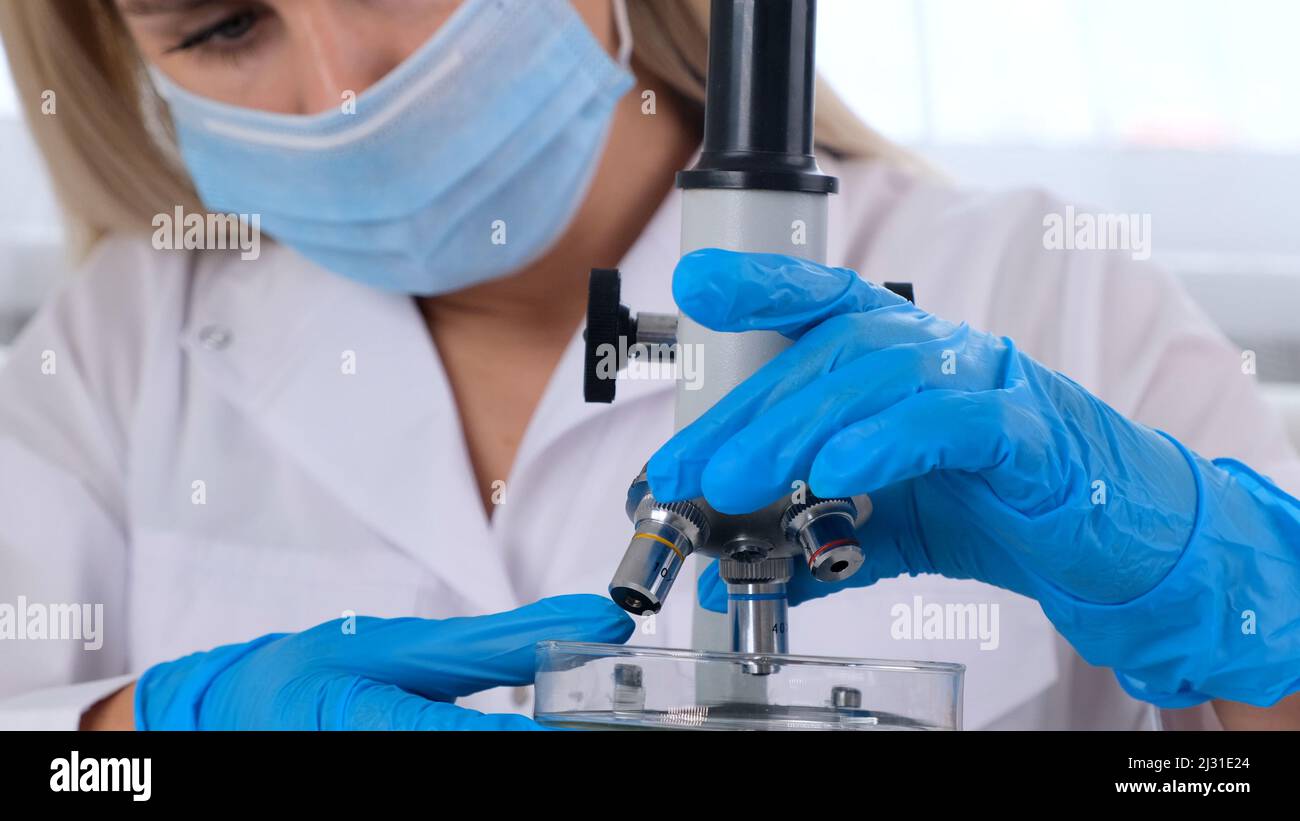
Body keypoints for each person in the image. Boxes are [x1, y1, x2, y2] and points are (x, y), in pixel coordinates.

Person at [0, 0, 1296, 731]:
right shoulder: (119, 349)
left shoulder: (1051, 293)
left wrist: (1236, 595)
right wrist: (141, 735)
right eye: (224, 22)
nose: (349, 84)